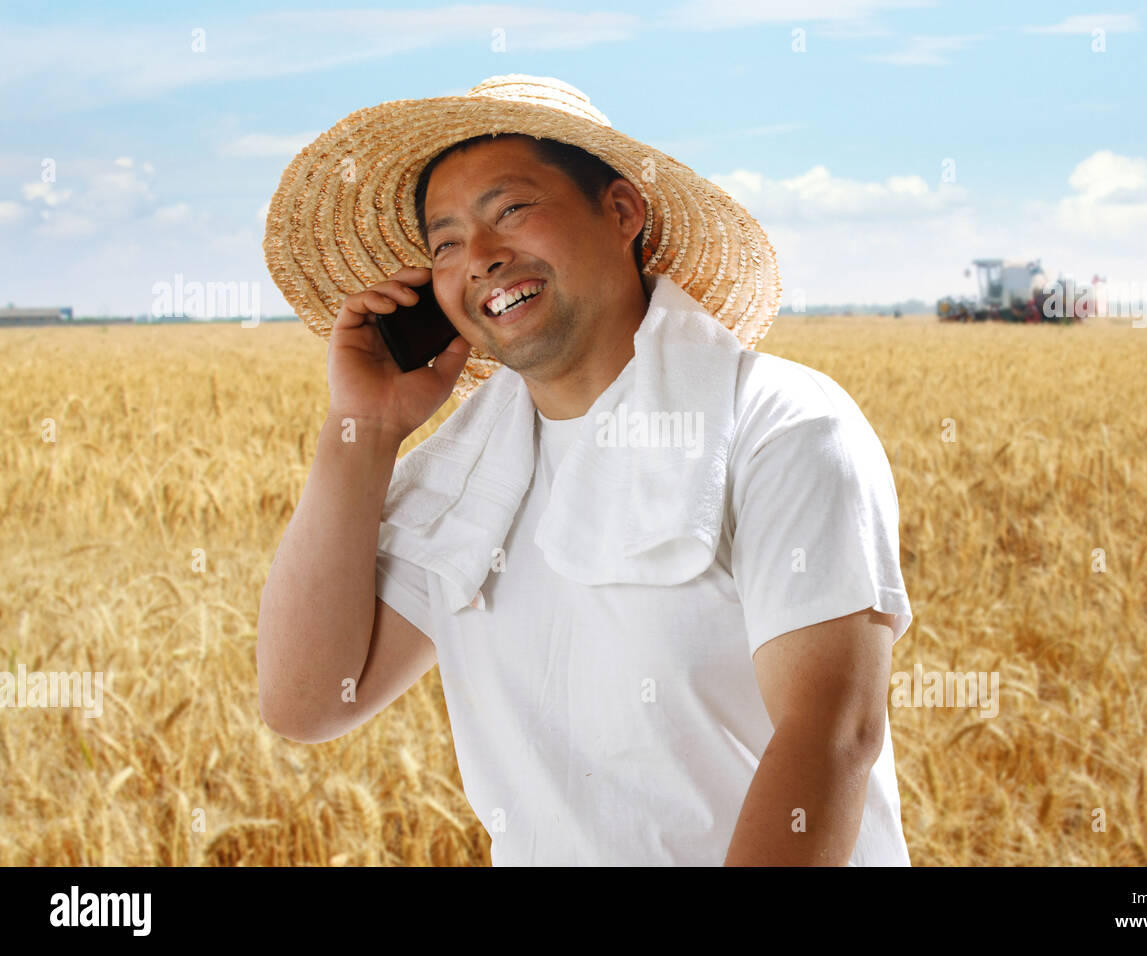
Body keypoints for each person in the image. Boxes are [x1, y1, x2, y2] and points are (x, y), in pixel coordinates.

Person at [258, 75, 913, 866]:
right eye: (447, 243)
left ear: (622, 212)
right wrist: (360, 430)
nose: (484, 260)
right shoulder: (467, 476)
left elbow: (833, 736)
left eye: (512, 211)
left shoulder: (780, 424)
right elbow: (305, 701)